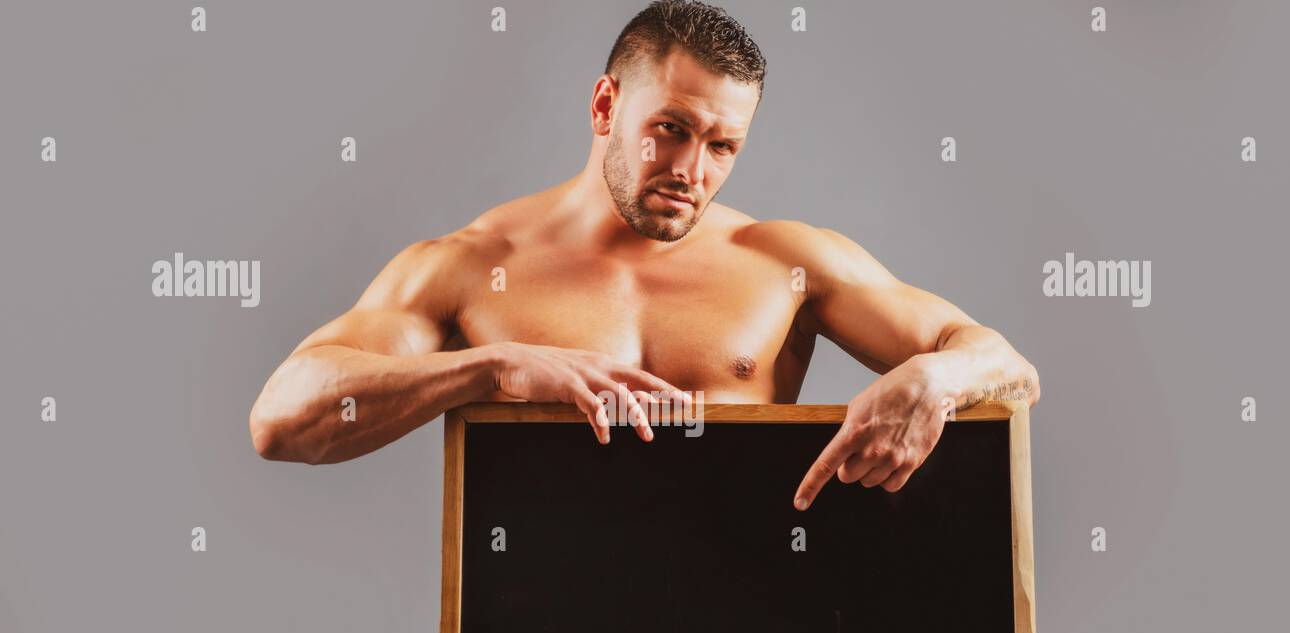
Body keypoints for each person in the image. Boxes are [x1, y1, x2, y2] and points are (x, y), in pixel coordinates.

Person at [249, 0, 1040, 510]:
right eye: (672, 129)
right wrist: (494, 370)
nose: (693, 172)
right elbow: (282, 418)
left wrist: (936, 380)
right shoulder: (468, 265)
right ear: (606, 105)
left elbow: (1005, 364)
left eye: (724, 145)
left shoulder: (783, 262)